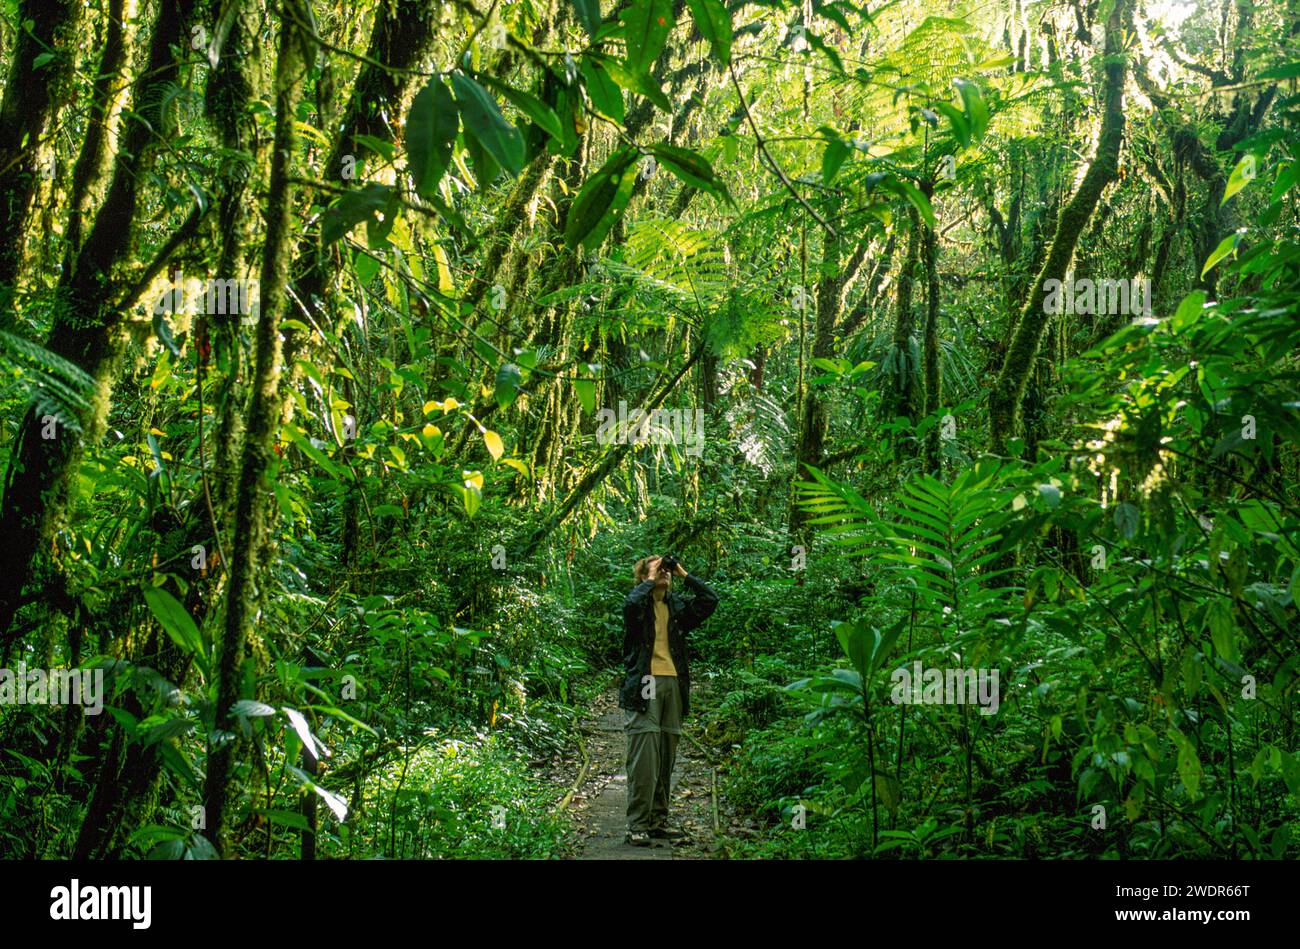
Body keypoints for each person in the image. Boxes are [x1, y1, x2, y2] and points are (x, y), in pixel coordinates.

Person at [620, 554, 719, 846]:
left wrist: (684, 573)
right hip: (646, 682)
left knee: (666, 751)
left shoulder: (676, 606)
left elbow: (710, 600)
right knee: (645, 754)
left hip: (673, 682)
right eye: (657, 568)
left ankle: (657, 821)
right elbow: (629, 606)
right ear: (644, 577)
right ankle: (637, 824)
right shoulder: (639, 605)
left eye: (667, 571)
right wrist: (650, 580)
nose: (664, 573)